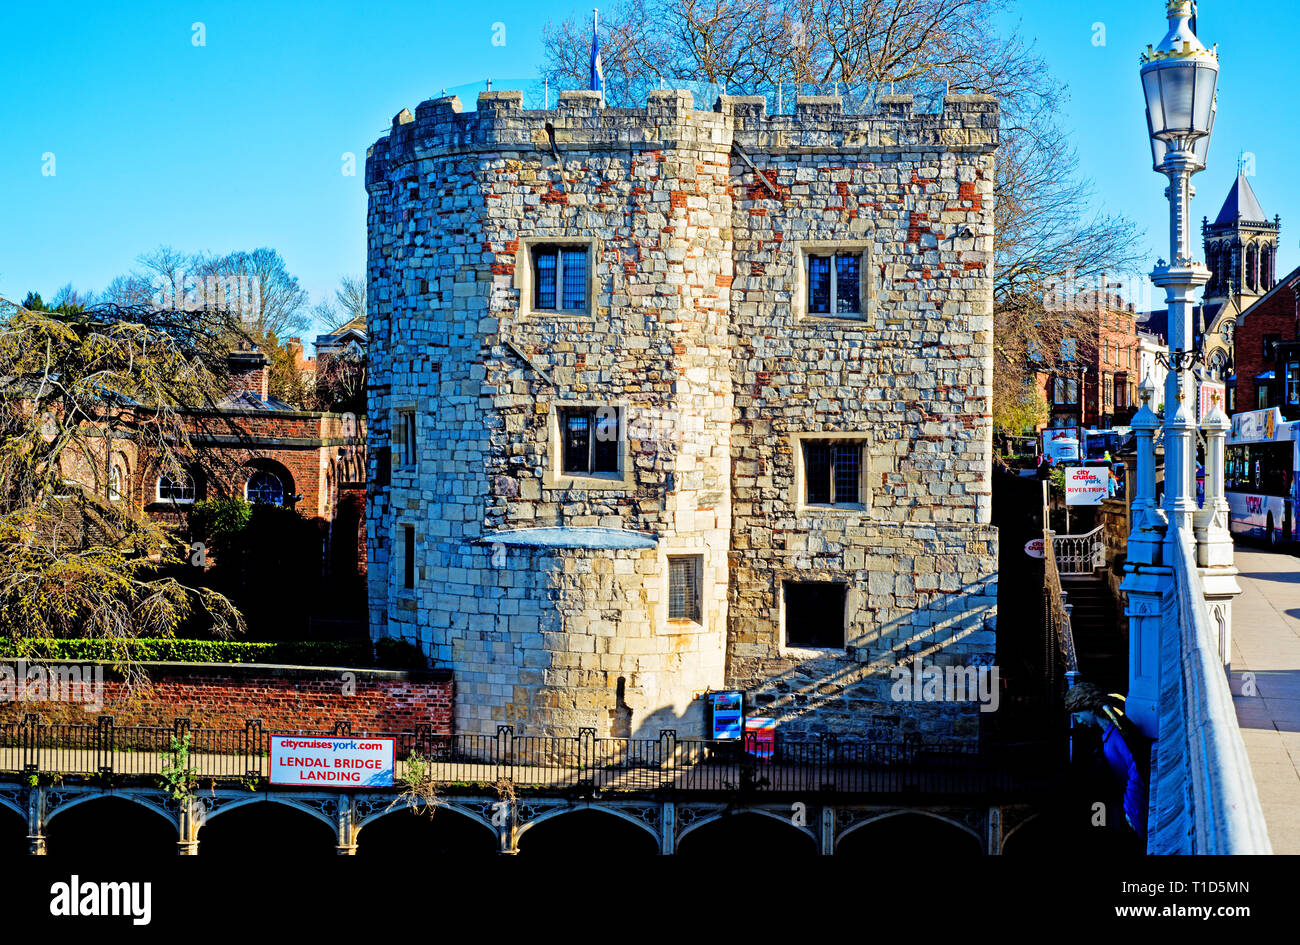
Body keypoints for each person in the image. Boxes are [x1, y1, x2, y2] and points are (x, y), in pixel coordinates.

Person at [1065, 682, 1149, 843]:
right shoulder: (1109, 732)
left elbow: (1136, 773)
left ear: (1089, 708)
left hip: (1132, 811)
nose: (1080, 721)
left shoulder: (1117, 734)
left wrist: (1130, 810)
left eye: (1078, 715)